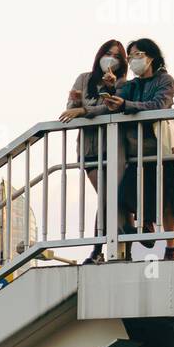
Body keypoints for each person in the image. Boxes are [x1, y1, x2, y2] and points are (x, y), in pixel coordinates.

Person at [103, 38, 174, 260]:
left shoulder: (166, 81)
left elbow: (158, 105)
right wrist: (111, 90)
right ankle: (145, 225)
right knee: (126, 194)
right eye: (130, 56)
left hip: (163, 148)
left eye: (137, 55)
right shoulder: (131, 85)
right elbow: (120, 101)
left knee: (168, 202)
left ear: (151, 57)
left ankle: (170, 249)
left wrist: (126, 106)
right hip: (137, 153)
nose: (133, 60)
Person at [60, 40, 127, 264]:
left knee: (112, 197)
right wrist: (76, 105)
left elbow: (110, 107)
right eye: (108, 53)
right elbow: (70, 109)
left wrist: (86, 108)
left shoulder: (123, 83)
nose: (111, 59)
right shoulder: (84, 79)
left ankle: (102, 248)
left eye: (117, 56)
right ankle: (120, 235)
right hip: (90, 148)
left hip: (116, 147)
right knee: (107, 197)